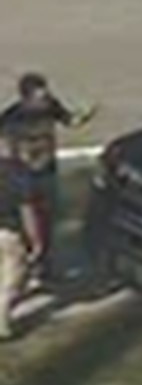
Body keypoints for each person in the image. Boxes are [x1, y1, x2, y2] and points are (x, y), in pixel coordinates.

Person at [0, 73, 93, 288]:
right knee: (29, 222)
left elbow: (69, 120)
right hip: (25, 174)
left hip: (48, 171)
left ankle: (45, 269)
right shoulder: (14, 116)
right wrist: (16, 158)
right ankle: (27, 267)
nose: (45, 96)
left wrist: (85, 116)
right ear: (26, 96)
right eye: (39, 93)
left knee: (49, 218)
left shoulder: (51, 106)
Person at [0, 145, 38, 341]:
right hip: (8, 233)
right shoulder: (17, 172)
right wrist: (35, 239)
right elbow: (27, 209)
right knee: (13, 280)